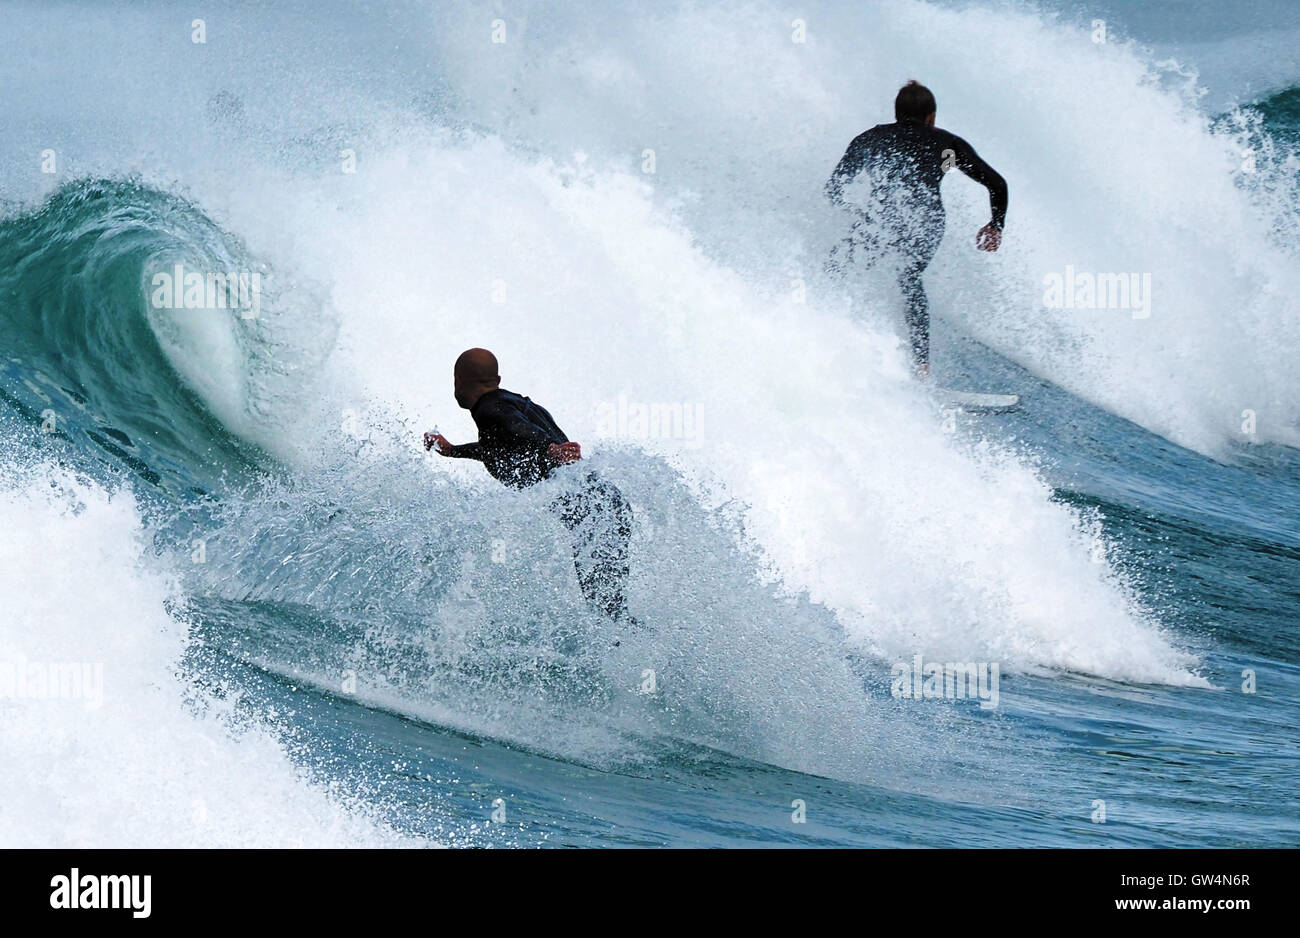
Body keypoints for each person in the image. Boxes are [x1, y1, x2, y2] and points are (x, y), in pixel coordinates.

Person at [424, 348, 637, 628]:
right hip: (606, 504)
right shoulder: (514, 403)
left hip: (592, 514)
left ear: (458, 380)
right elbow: (500, 447)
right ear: (496, 378)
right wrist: (452, 451)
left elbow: (516, 429)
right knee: (609, 607)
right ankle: (649, 648)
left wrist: (550, 449)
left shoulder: (490, 410)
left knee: (606, 610)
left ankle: (641, 653)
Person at [825, 80, 1008, 378]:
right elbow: (996, 184)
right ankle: (921, 365)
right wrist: (995, 225)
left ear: (896, 112)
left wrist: (856, 214)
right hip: (925, 221)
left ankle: (823, 330)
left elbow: (834, 189)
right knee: (908, 277)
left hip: (880, 220)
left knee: (838, 266)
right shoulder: (947, 145)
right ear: (931, 116)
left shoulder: (871, 139)